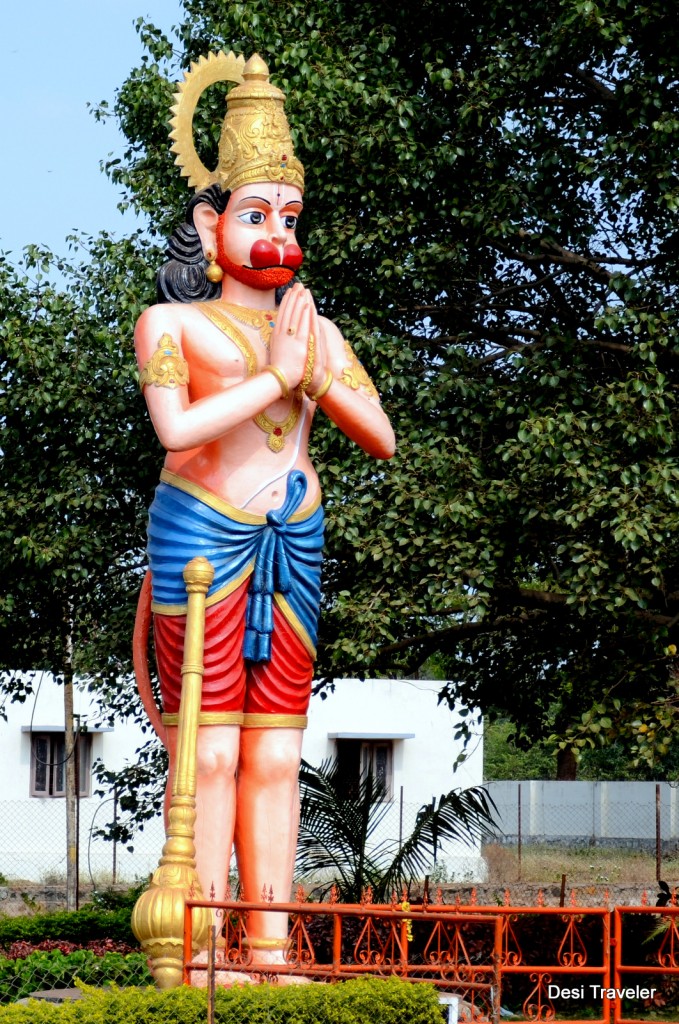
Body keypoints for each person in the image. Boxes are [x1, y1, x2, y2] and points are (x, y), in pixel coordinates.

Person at [133, 52, 394, 973]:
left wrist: (313, 366)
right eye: (255, 215)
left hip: (296, 545)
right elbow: (175, 427)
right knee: (207, 756)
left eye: (289, 217)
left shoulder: (315, 329)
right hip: (204, 540)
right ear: (211, 225)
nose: (276, 234)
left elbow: (382, 435)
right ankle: (199, 944)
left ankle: (271, 944)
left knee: (278, 758)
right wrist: (277, 377)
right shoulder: (172, 326)